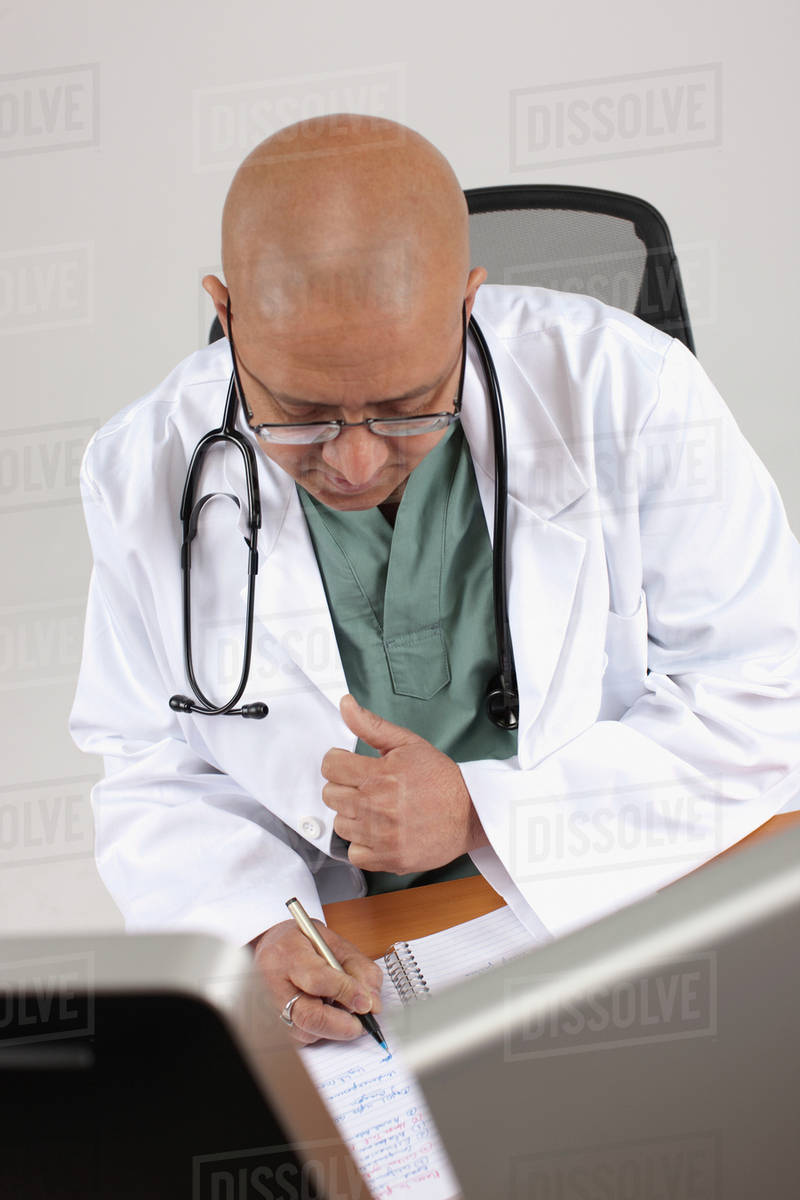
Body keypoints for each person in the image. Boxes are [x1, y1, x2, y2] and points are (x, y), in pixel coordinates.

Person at [69, 113, 800, 1048]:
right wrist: (254, 926)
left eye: (411, 407)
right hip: (365, 958)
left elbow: (765, 689)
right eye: (301, 414)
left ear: (467, 302)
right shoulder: (144, 471)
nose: (360, 461)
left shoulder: (631, 394)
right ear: (227, 315)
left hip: (626, 896)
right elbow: (150, 763)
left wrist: (483, 814)